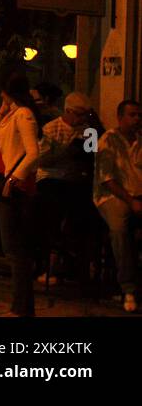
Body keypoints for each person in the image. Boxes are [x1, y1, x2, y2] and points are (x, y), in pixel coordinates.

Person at [0, 73, 41, 317]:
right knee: (12, 248)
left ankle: (21, 308)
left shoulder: (24, 115)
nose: (0, 96)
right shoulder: (9, 116)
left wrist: (14, 178)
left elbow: (33, 152)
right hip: (2, 183)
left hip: (14, 187)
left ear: (10, 92)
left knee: (15, 249)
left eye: (3, 92)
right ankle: (21, 306)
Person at [35, 91, 96, 286]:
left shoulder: (88, 131)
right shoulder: (51, 129)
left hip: (76, 180)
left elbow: (92, 159)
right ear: (68, 111)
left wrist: (85, 152)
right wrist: (66, 152)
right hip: (52, 178)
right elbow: (41, 160)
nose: (82, 119)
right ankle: (52, 261)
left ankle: (75, 263)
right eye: (79, 114)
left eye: (85, 115)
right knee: (53, 210)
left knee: (83, 214)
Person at [94, 99, 142, 312]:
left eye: (138, 115)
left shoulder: (140, 141)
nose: (137, 119)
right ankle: (128, 288)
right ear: (120, 117)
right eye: (132, 115)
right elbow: (107, 179)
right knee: (119, 227)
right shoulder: (108, 140)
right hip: (112, 196)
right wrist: (130, 200)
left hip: (138, 195)